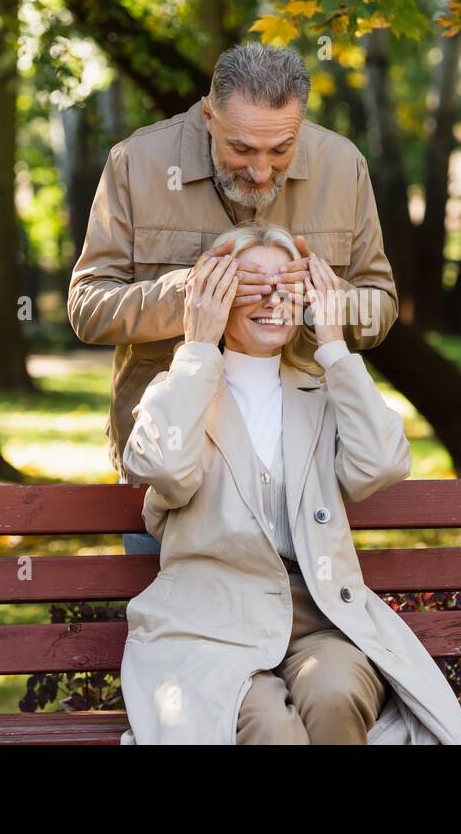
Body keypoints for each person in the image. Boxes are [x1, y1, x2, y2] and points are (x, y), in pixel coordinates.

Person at [115, 221, 461, 745]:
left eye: (289, 284)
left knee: (335, 695)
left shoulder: (320, 395)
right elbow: (164, 467)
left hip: (320, 617)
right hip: (211, 623)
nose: (273, 298)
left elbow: (383, 464)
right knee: (268, 727)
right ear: (215, 294)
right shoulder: (178, 391)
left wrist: (333, 344)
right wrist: (198, 342)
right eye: (252, 283)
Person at [65, 44, 399, 559]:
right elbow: (87, 306)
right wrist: (190, 295)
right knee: (172, 618)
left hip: (301, 462)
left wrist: (323, 301)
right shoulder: (137, 164)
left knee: (303, 622)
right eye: (241, 150)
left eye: (281, 150)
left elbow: (380, 308)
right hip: (169, 463)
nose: (262, 172)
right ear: (207, 114)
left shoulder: (343, 166)